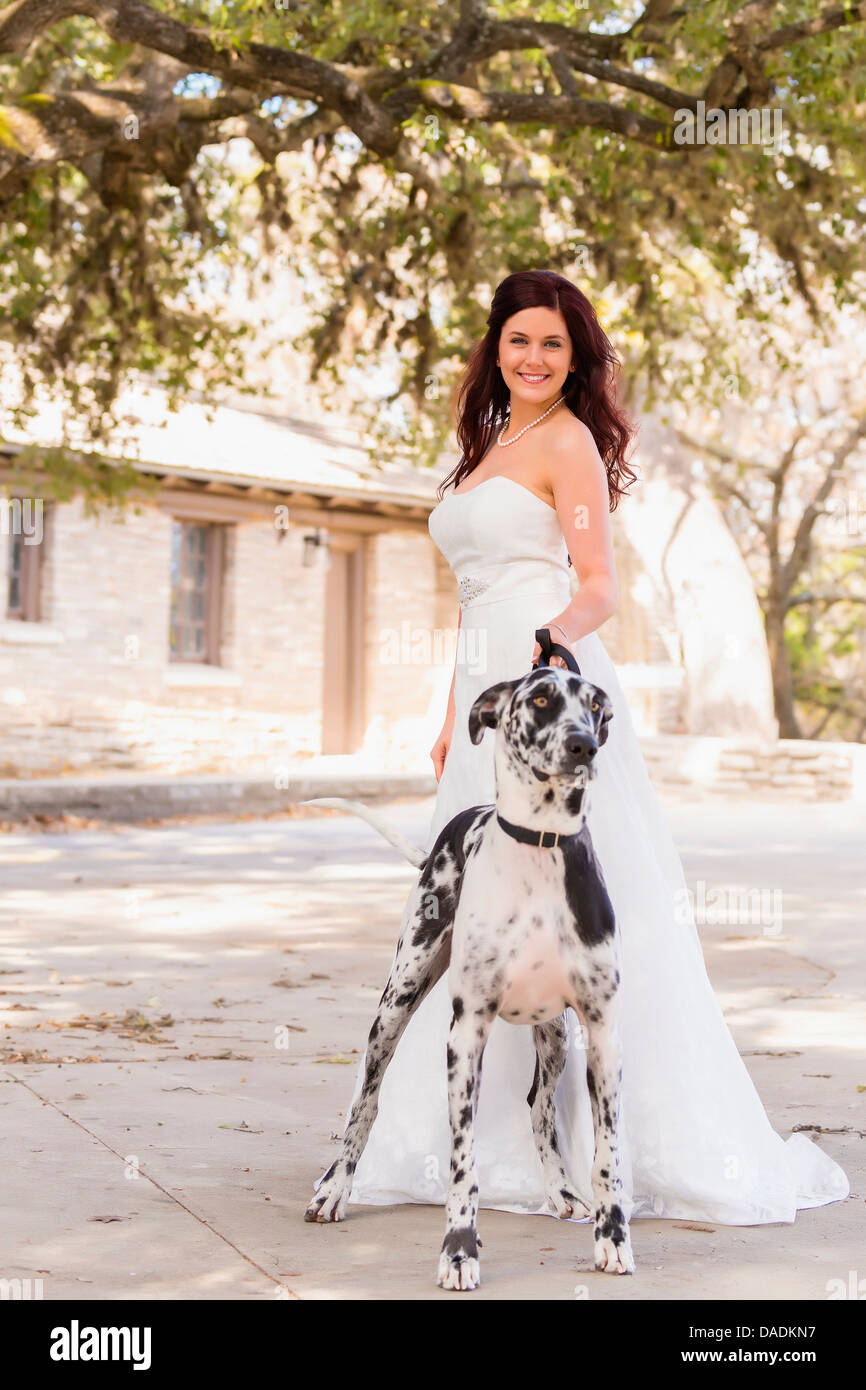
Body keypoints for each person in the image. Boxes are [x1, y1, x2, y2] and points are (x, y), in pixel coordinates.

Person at [337, 269, 849, 1225]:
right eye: (518, 340)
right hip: (489, 697)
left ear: (576, 360)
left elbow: (600, 584)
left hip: (552, 689)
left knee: (596, 907)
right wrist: (457, 707)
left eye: (553, 345)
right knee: (470, 919)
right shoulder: (490, 442)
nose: (532, 358)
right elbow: (472, 594)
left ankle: (627, 1144)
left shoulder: (567, 440)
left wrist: (547, 652)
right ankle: (466, 1144)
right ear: (495, 347)